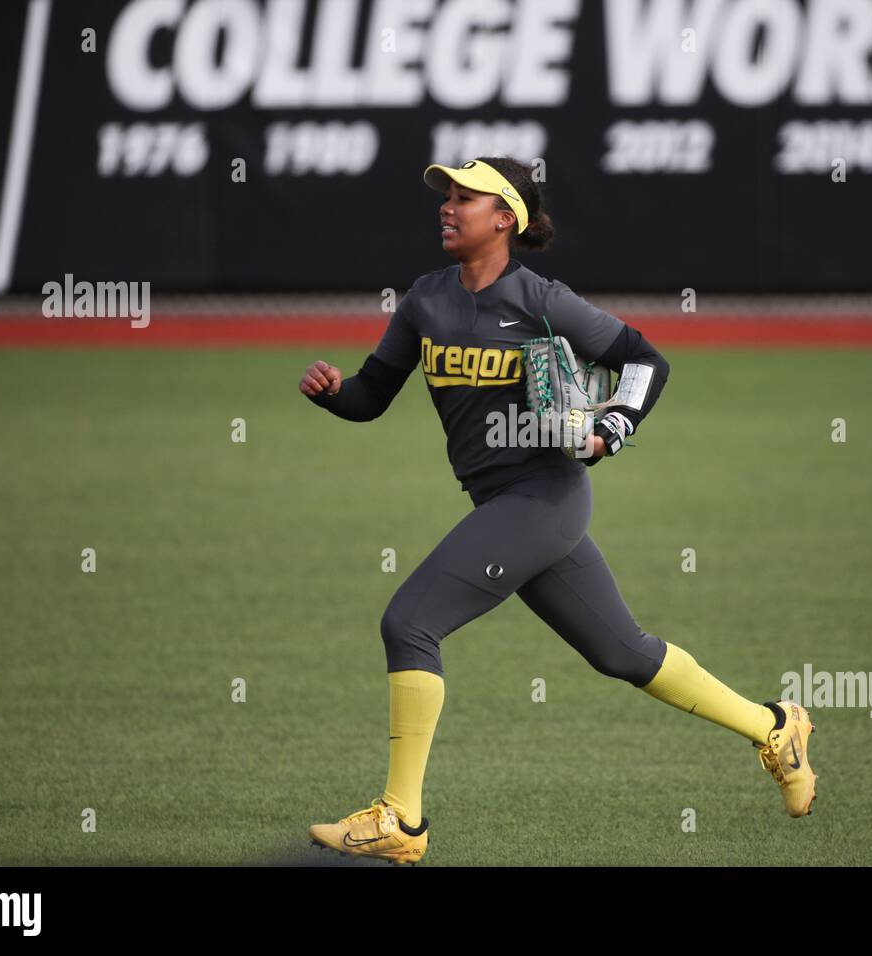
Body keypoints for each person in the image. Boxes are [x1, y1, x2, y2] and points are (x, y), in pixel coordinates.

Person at [301, 157, 816, 864]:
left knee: (410, 621)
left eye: (465, 198)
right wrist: (334, 394)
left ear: (504, 218)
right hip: (508, 505)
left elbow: (644, 360)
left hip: (545, 497)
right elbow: (370, 396)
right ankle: (775, 727)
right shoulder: (424, 299)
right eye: (445, 197)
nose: (447, 208)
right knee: (622, 652)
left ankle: (401, 819)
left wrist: (616, 425)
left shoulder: (539, 298)